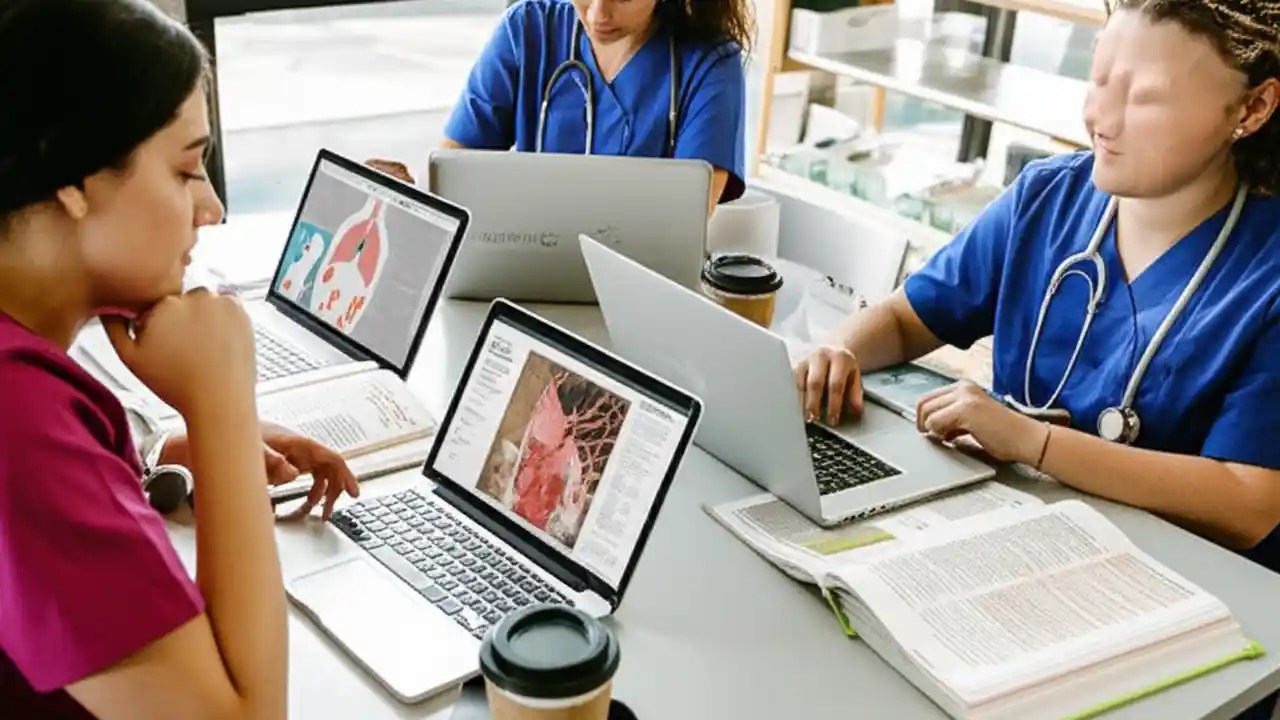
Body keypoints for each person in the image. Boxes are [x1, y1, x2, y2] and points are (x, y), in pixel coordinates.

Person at [798, 2, 1280, 715]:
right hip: (1009, 563)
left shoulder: (1267, 276)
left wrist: (1035, 443)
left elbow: (1249, 503)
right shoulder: (1048, 199)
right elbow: (904, 319)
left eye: (1145, 97)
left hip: (1177, 620)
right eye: (1099, 80)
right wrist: (839, 347)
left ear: (1252, 108)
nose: (1102, 118)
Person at [0, 1, 359, 717]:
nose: (213, 209)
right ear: (74, 177)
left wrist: (162, 454)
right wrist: (221, 405)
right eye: (187, 170)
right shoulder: (22, 421)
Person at [367, 0, 753, 212]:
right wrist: (404, 191)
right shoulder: (526, 30)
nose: (598, 14)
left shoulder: (710, 64)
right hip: (519, 287)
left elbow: (688, 218)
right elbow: (452, 175)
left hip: (641, 294)